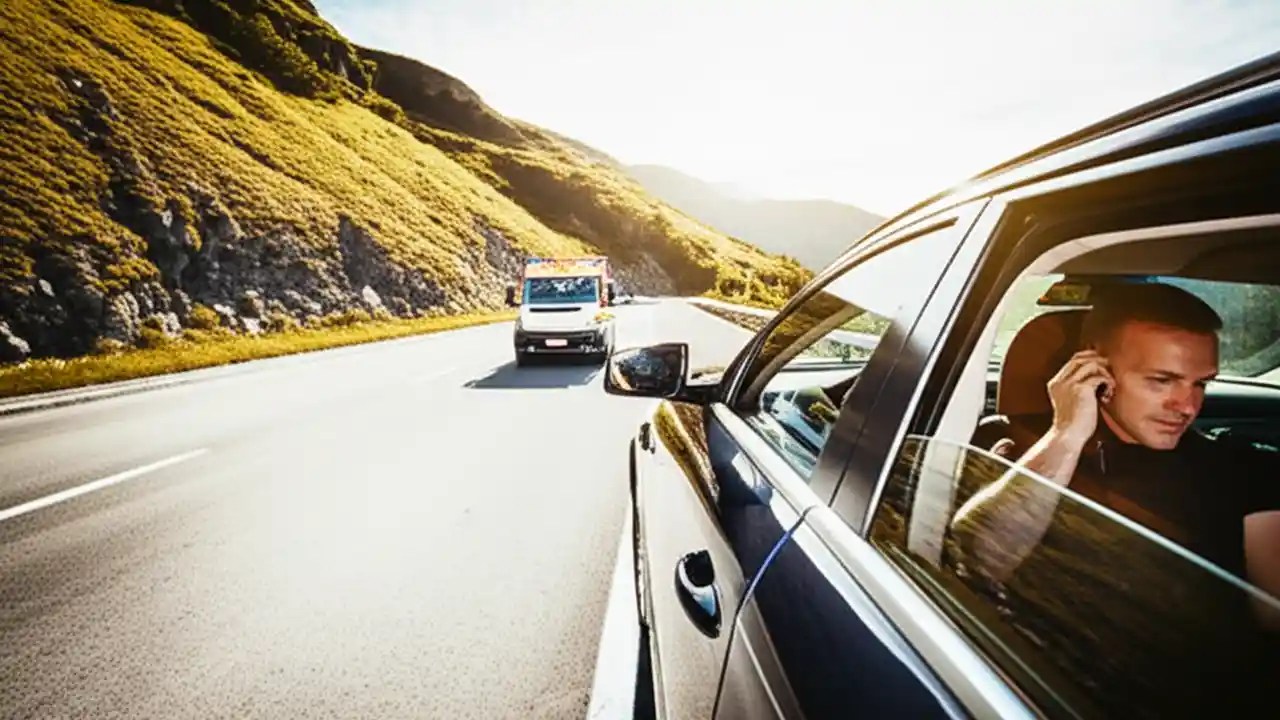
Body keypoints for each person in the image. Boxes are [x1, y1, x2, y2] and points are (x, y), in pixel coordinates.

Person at [951, 282, 1280, 594]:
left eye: (1201, 384)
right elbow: (979, 561)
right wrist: (1066, 434)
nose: (1189, 407)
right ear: (1095, 367)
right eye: (1161, 380)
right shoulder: (1015, 448)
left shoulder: (1239, 468)